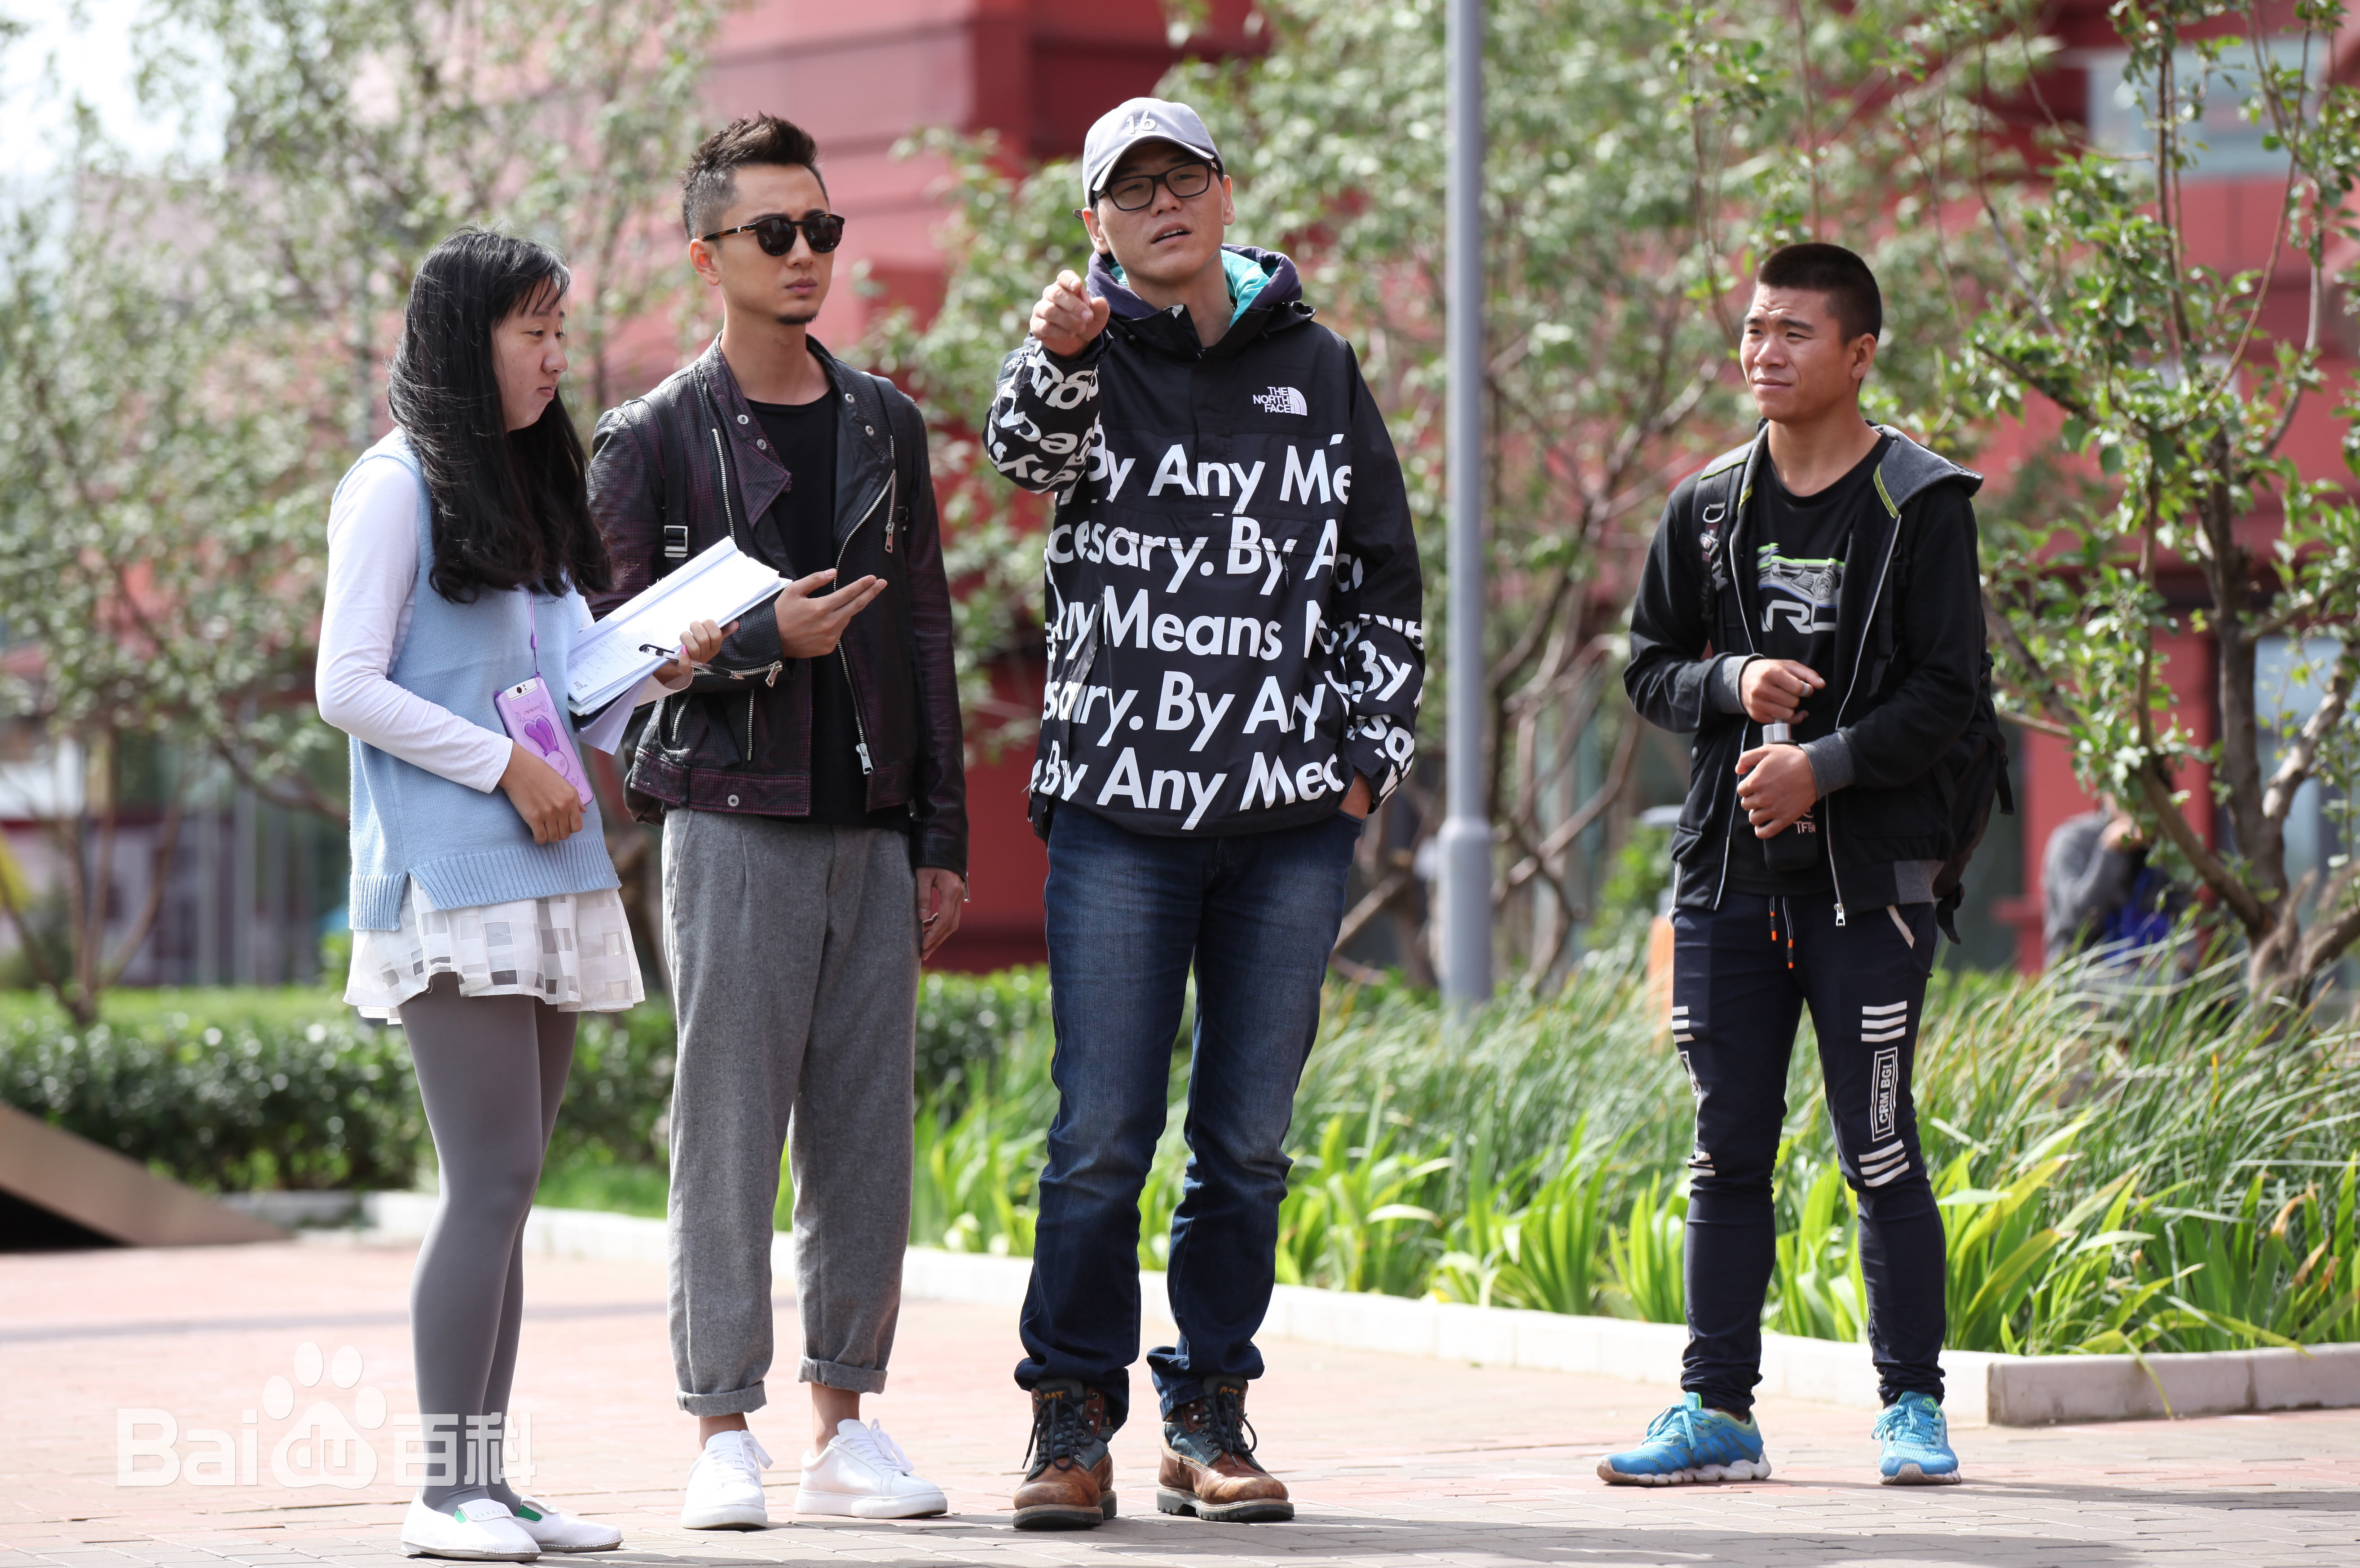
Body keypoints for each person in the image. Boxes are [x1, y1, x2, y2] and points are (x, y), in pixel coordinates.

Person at [980, 97, 1424, 1530]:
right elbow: (1023, 459)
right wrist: (1057, 356)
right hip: (1118, 809)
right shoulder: (1082, 354)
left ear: (1228, 198)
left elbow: (1384, 581)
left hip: (1289, 821)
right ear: (1097, 227)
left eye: (1184, 180)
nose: (1162, 205)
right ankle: (1069, 1421)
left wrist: (1361, 764)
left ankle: (1208, 1412)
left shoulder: (1321, 363)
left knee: (1246, 1139)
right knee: (1101, 1131)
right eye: (1132, 191)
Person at [585, 114, 967, 1529]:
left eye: (824, 230)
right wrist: (759, 646)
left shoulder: (883, 421)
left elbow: (923, 627)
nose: (808, 255)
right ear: (709, 255)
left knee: (866, 1134)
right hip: (731, 820)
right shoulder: (653, 437)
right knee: (728, 1130)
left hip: (870, 821)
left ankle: (846, 1420)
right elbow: (609, 664)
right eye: (775, 234)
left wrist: (941, 835)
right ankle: (721, 1428)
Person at [319, 229, 724, 1560]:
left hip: (546, 870)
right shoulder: (392, 488)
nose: (558, 358)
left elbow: (573, 691)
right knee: (487, 1181)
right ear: (462, 339)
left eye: (561, 333)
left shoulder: (519, 497)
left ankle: (488, 1486)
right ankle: (443, 1489)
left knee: (515, 1184)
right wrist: (501, 764)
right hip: (453, 876)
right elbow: (347, 683)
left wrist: (670, 656)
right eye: (532, 334)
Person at [1619, 242, 1986, 1488]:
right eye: (1754, 330)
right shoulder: (1708, 505)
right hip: (1728, 880)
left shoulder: (1921, 503)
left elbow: (1952, 697)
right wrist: (1728, 681)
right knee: (1725, 1149)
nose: (1762, 354)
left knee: (1878, 1148)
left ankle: (1912, 1406)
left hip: (1871, 883)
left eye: (1792, 334)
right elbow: (1647, 665)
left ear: (1860, 353)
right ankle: (1716, 1409)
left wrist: (1820, 767)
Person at [2042, 801, 2182, 966]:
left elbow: (2181, 922)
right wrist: (2110, 851)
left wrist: (2181, 960)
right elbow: (2078, 922)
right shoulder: (2073, 840)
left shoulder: (2169, 848)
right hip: (2085, 980)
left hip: (2155, 980)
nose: (2136, 795)